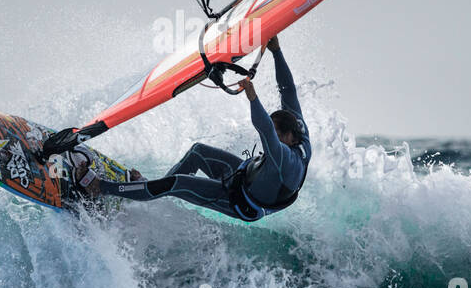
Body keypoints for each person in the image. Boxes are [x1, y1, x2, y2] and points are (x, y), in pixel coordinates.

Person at [89, 36, 310, 221]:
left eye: (279, 134)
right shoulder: (298, 131)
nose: (276, 137)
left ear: (290, 138)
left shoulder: (285, 159)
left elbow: (265, 129)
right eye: (277, 132)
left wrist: (253, 98)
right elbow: (288, 90)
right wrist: (276, 51)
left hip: (238, 201)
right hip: (243, 176)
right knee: (198, 152)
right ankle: (154, 191)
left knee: (176, 183)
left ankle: (100, 187)